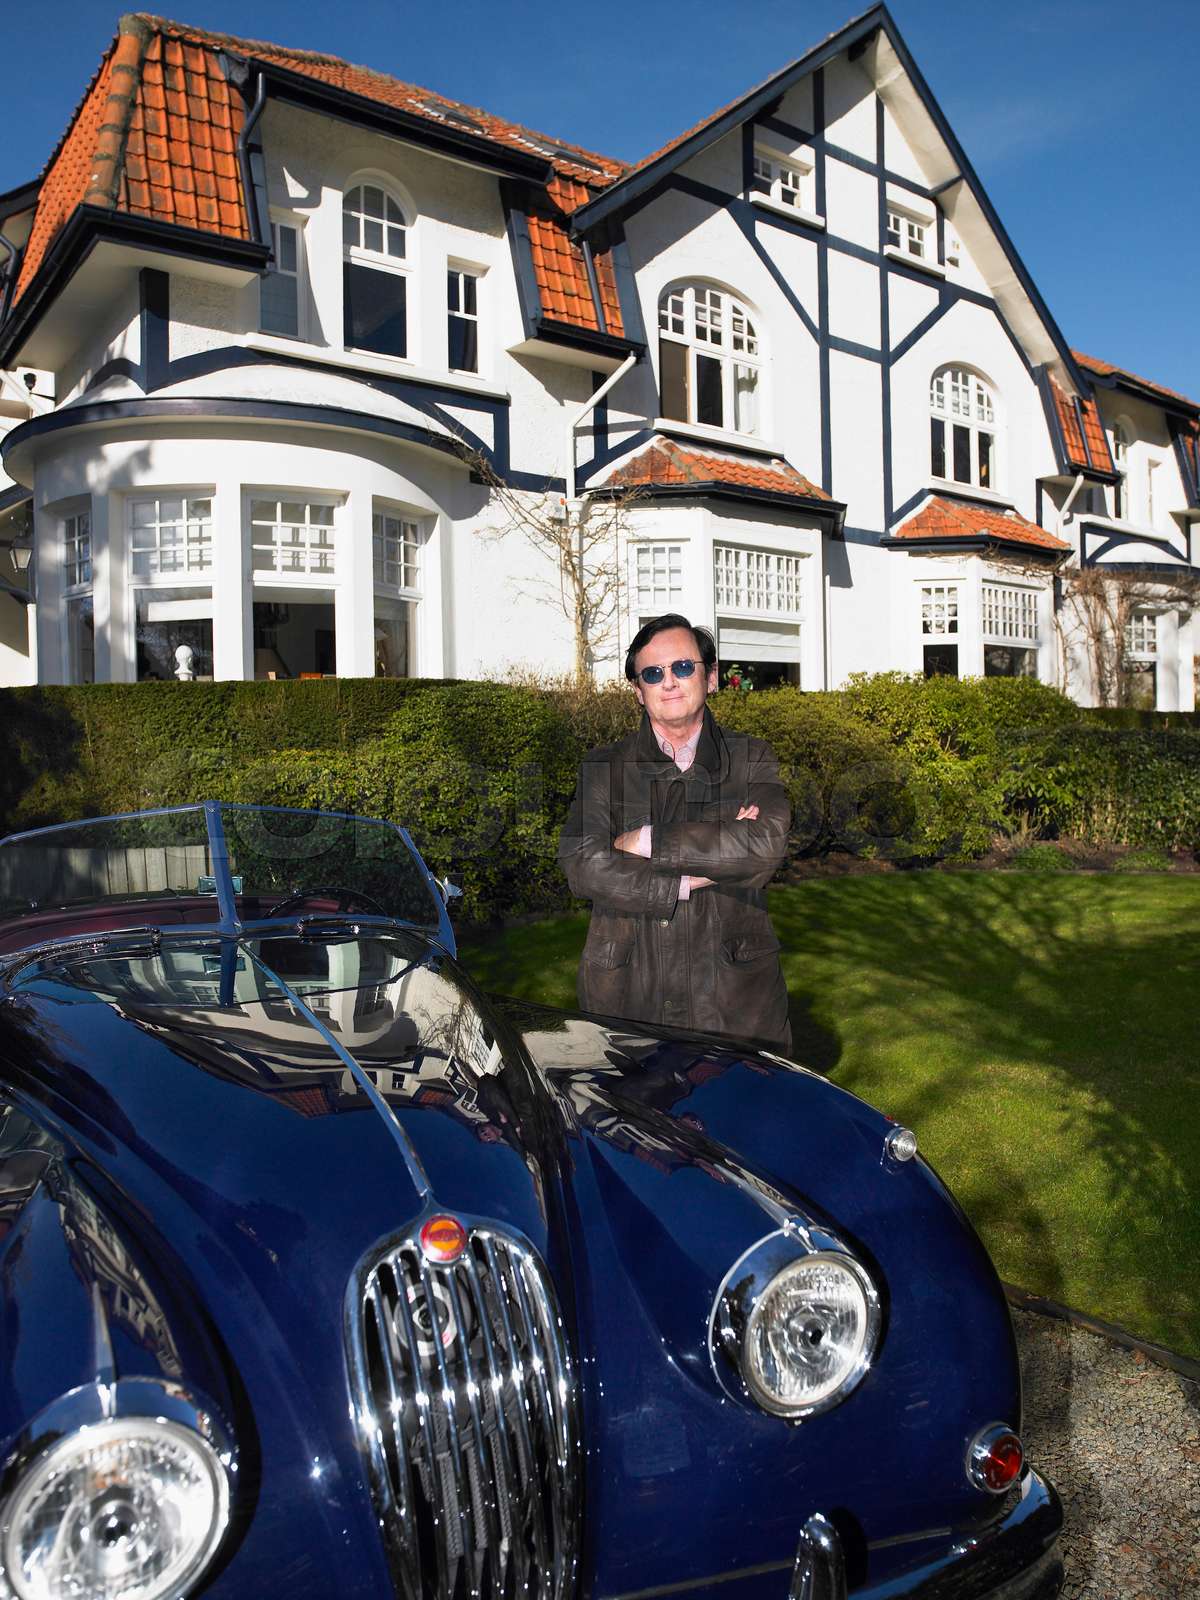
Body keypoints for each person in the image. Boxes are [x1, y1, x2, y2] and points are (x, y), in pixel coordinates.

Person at [558, 613, 791, 1051]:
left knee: (742, 1113)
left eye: (683, 667)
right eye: (653, 673)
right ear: (638, 692)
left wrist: (644, 842)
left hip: (735, 999)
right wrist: (688, 879)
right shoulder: (604, 768)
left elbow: (764, 845)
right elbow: (583, 865)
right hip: (629, 995)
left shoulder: (750, 757)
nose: (669, 681)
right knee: (628, 1116)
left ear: (713, 678)